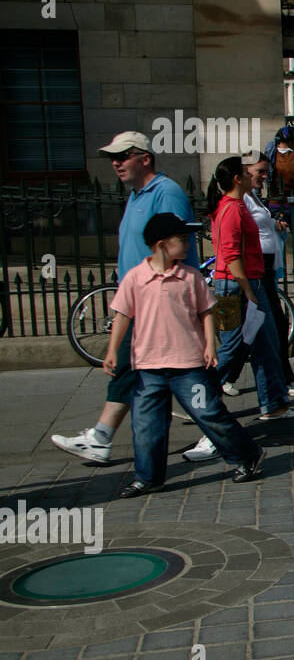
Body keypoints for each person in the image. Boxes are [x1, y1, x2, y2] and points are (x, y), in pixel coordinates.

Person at [50, 131, 200, 463]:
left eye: (123, 156)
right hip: (139, 298)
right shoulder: (136, 195)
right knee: (157, 375)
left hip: (159, 300)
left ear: (145, 158)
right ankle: (212, 430)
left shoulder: (167, 193)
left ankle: (103, 437)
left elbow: (180, 248)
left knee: (145, 369)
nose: (116, 163)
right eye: (112, 158)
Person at [105, 213, 265, 497]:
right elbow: (122, 315)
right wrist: (112, 351)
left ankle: (246, 455)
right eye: (182, 239)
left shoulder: (190, 277)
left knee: (210, 413)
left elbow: (206, 312)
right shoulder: (135, 278)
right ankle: (148, 476)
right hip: (147, 367)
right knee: (146, 425)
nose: (189, 244)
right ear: (162, 245)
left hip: (188, 365)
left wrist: (210, 346)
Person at [207, 156, 294, 421]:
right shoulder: (232, 208)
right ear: (238, 179)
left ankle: (273, 405)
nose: (253, 177)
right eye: (247, 174)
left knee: (266, 344)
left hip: (246, 284)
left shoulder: (237, 206)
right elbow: (230, 252)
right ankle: (202, 397)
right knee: (233, 348)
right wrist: (248, 290)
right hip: (237, 287)